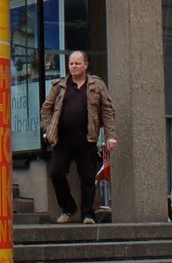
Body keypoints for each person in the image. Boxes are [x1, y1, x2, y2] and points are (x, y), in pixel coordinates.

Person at [39, 50, 118, 224]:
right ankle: (68, 207)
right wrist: (48, 128)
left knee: (88, 177)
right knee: (55, 172)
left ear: (85, 65)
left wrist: (110, 135)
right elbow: (46, 108)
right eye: (71, 64)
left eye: (77, 63)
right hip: (62, 140)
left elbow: (107, 110)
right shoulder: (59, 86)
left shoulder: (96, 85)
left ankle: (88, 214)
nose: (73, 67)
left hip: (87, 138)